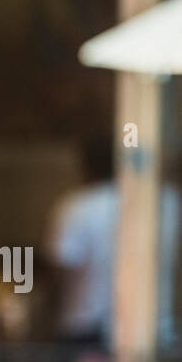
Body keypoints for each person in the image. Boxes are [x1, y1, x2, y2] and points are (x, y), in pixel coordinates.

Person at [45, 134, 180, 348]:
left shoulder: (79, 207)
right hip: (157, 330)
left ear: (87, 166)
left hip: (90, 329)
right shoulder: (170, 203)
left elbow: (62, 269)